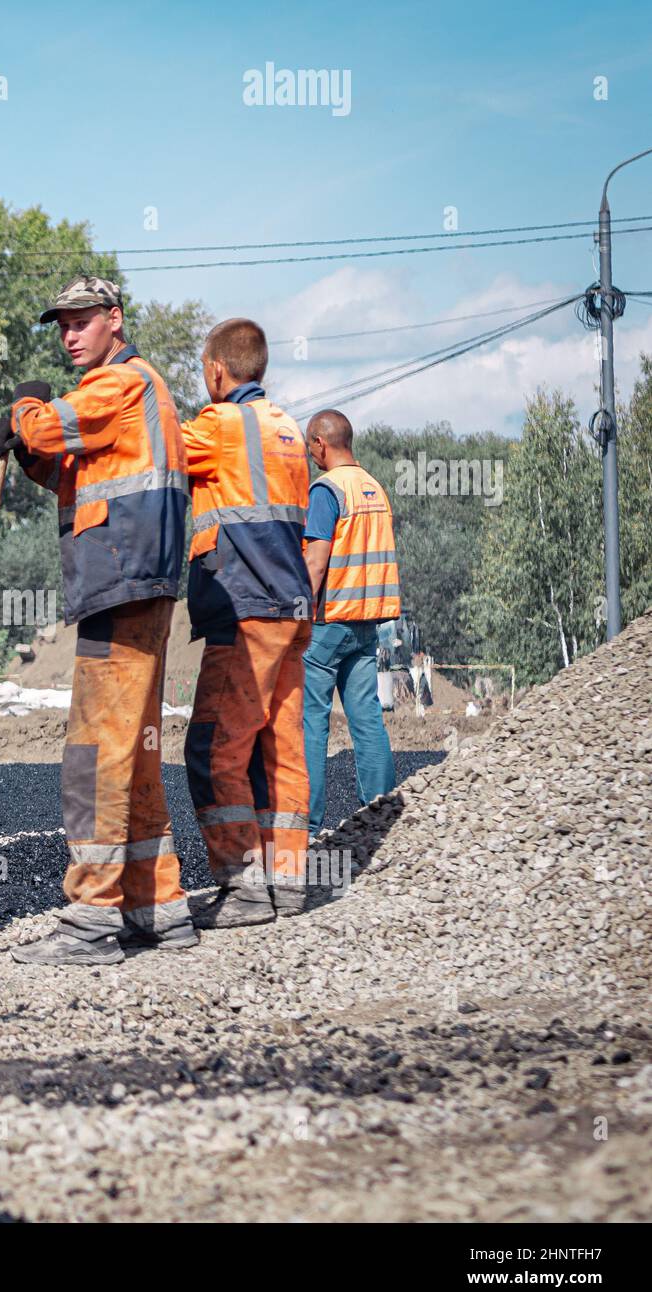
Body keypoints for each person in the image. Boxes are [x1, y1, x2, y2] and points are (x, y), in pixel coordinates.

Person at [0, 275, 192, 964]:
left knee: (93, 754)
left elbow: (50, 423)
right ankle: (158, 908)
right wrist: (31, 453)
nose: (70, 335)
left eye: (81, 322)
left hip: (122, 582)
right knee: (133, 753)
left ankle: (92, 919)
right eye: (62, 325)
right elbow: (69, 466)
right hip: (132, 582)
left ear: (114, 319)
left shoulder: (122, 384)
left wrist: (21, 412)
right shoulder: (128, 395)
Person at [180, 318, 313, 927]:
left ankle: (242, 885)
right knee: (278, 748)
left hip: (244, 606)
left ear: (215, 370)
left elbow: (157, 455)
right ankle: (287, 883)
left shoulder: (219, 425)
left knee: (214, 749)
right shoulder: (288, 429)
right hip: (291, 606)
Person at [301, 408, 400, 833]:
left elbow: (316, 560)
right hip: (367, 624)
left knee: (310, 718)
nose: (310, 456)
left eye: (310, 448)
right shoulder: (373, 488)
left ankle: (304, 824)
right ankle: (379, 816)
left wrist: (297, 613)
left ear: (321, 443)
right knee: (366, 716)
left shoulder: (327, 490)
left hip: (328, 622)